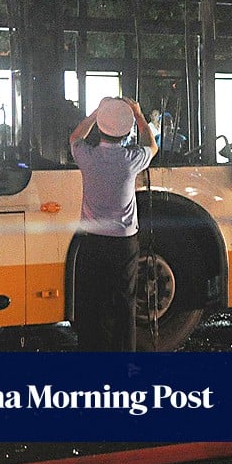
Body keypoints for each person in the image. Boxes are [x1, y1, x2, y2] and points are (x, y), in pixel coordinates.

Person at [69, 96, 158, 351]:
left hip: (91, 242)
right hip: (124, 244)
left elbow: (75, 136)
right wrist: (139, 114)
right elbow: (152, 145)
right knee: (125, 306)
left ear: (100, 128)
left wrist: (98, 111)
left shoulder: (86, 156)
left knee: (91, 304)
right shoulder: (132, 160)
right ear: (127, 131)